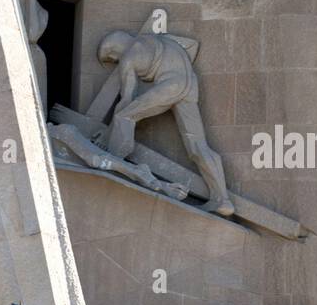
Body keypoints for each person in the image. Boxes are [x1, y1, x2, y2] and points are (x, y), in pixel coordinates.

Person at [93, 29, 233, 215]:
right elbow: (192, 46)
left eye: (112, 58)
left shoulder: (129, 57)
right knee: (198, 146)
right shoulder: (160, 39)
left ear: (114, 49)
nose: (115, 61)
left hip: (170, 86)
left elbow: (126, 100)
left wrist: (108, 134)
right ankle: (222, 200)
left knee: (124, 116)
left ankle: (115, 163)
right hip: (190, 84)